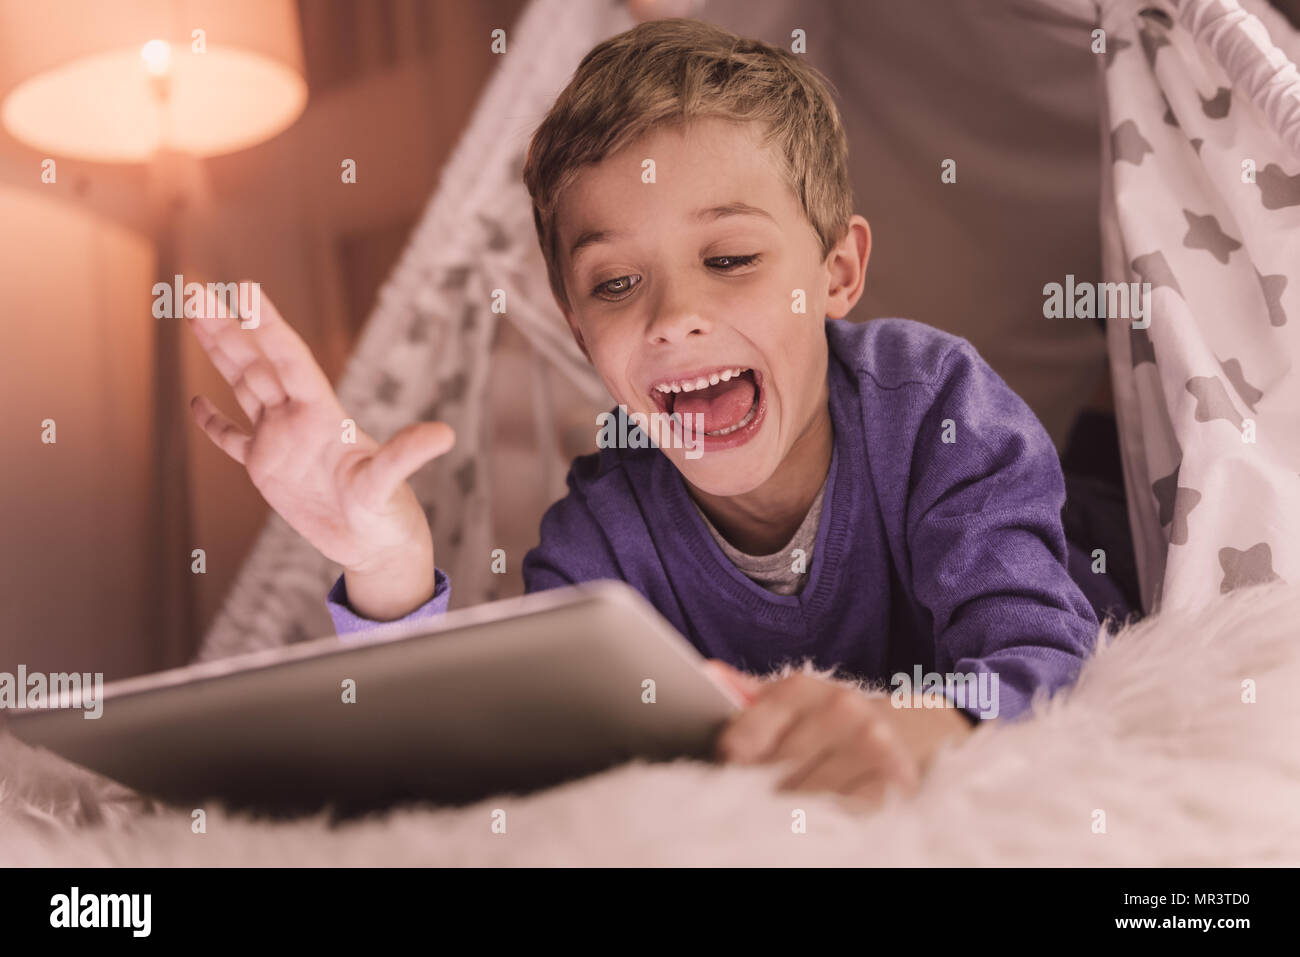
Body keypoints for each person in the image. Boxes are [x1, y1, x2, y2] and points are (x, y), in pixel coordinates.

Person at [187, 18, 1113, 805]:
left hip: (1094, 502)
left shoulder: (937, 408)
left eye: (730, 259)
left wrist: (928, 726)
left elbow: (1048, 657)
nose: (673, 319)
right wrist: (388, 565)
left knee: (1108, 476)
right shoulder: (601, 530)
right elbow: (505, 752)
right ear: (578, 329)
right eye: (618, 282)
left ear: (837, 273)